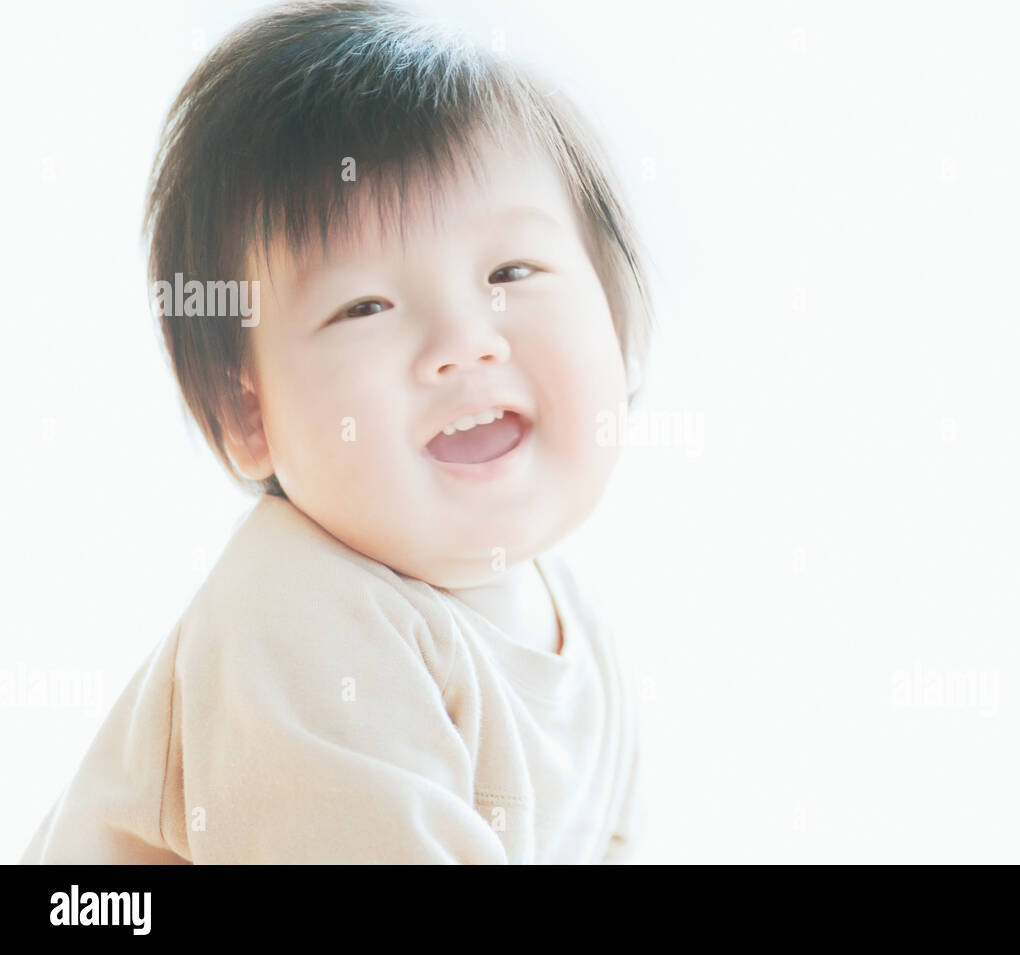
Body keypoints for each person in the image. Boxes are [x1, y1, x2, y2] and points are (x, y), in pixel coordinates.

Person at [20, 0, 654, 864]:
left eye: (512, 271)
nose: (464, 341)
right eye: (366, 307)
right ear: (249, 415)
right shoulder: (296, 615)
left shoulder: (571, 625)